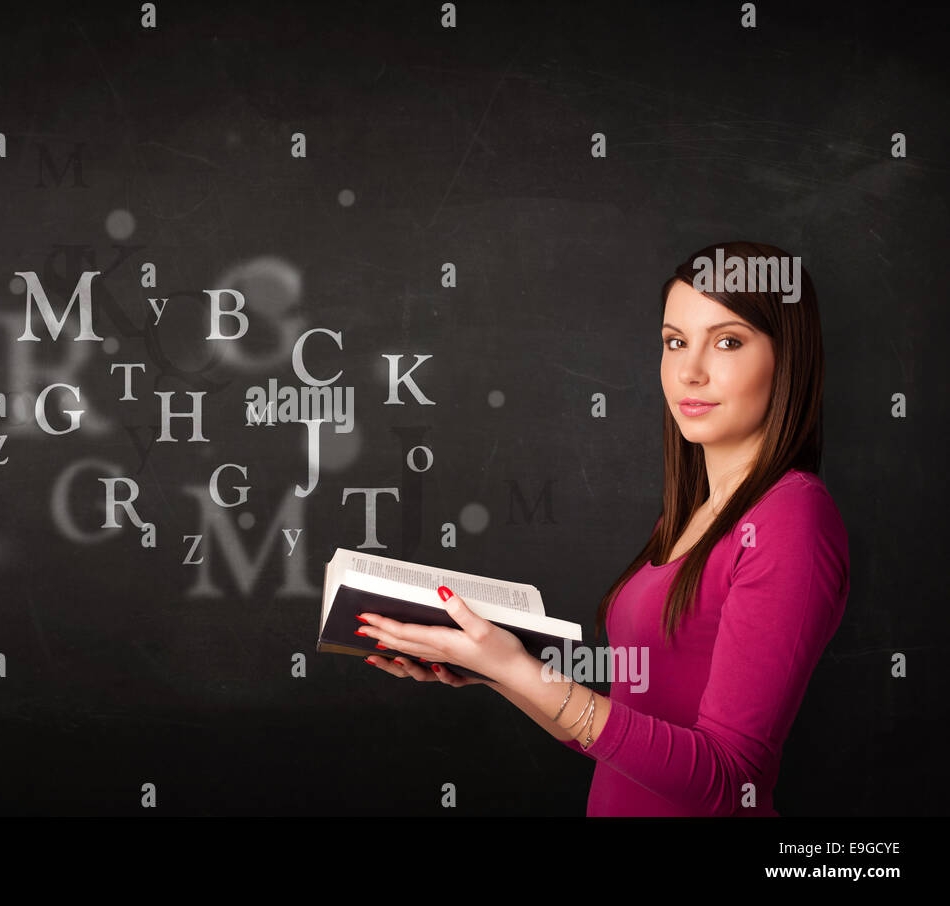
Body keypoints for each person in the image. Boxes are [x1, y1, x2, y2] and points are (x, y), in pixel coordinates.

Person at [358, 241, 850, 816]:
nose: (689, 370)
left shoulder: (791, 518)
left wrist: (516, 669)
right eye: (674, 342)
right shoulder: (687, 516)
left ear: (786, 358)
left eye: (728, 341)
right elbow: (625, 741)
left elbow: (727, 779)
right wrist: (495, 669)